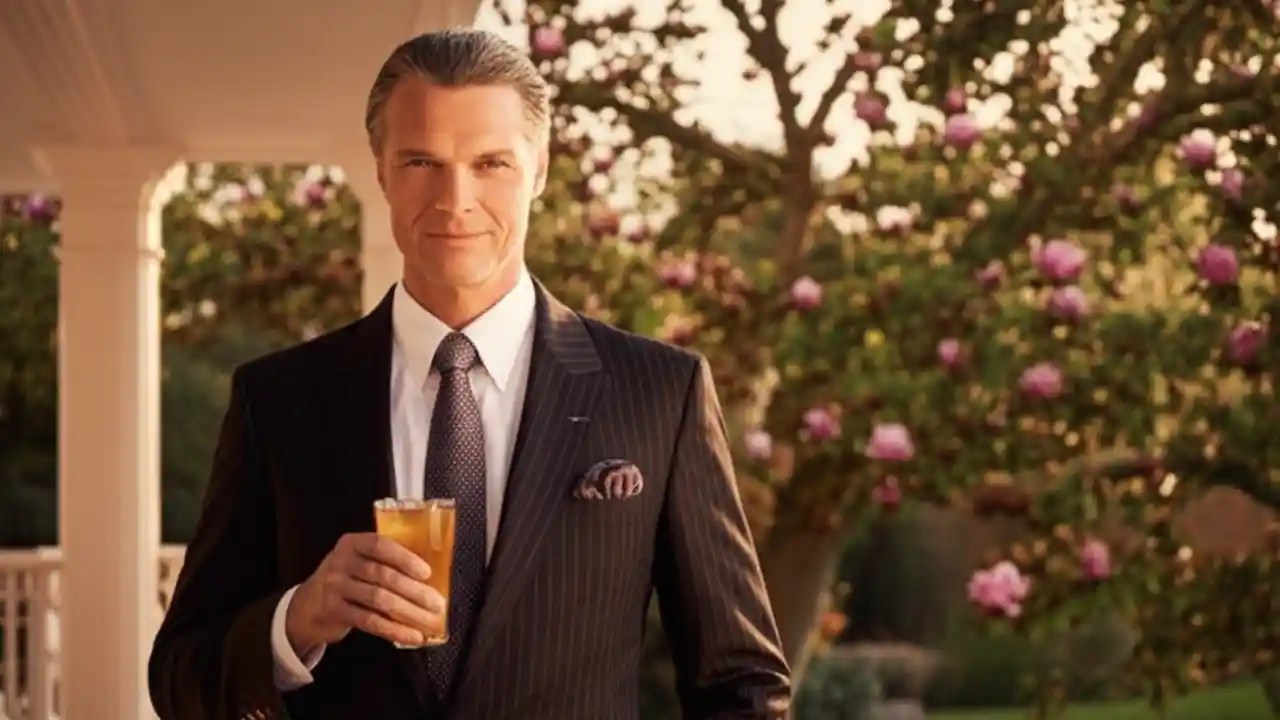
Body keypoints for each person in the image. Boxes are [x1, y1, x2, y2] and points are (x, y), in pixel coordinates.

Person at [148, 28, 790, 720]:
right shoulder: (276, 401)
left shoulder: (659, 393)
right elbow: (180, 676)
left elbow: (741, 684)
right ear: (380, 168)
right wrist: (295, 621)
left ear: (539, 168)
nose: (455, 199)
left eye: (491, 163)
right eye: (423, 160)